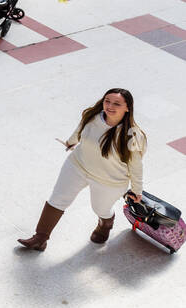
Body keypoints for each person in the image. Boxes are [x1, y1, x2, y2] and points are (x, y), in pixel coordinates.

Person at [18, 89, 146, 251]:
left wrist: (136, 190)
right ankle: (40, 238)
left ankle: (106, 223)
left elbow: (136, 165)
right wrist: (71, 141)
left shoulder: (132, 134)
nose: (110, 106)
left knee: (100, 208)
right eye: (107, 101)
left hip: (109, 180)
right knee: (58, 198)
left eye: (116, 103)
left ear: (127, 108)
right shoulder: (92, 116)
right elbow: (80, 130)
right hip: (78, 165)